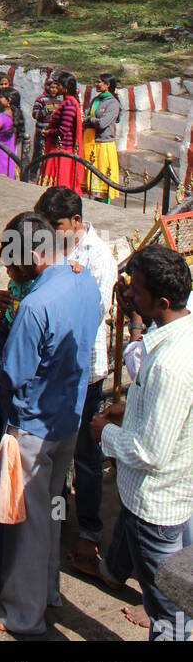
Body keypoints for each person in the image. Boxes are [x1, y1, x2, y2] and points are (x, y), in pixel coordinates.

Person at [0, 211, 101, 636]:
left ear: (34, 255)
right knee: (52, 512)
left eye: (13, 260)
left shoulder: (36, 305)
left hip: (32, 428)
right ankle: (47, 591)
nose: (10, 269)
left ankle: (23, 612)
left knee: (29, 525)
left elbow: (12, 373)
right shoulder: (83, 279)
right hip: (68, 418)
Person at [92, 245, 193, 641]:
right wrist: (129, 409)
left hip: (157, 507)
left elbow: (150, 451)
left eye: (138, 290)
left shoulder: (170, 364)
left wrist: (106, 433)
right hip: (165, 500)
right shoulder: (176, 338)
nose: (130, 295)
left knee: (168, 614)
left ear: (163, 301)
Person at [34, 186, 118, 580]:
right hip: (54, 364)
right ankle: (58, 513)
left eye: (59, 226)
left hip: (84, 368)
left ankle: (88, 531)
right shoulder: (52, 247)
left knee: (84, 453)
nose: (52, 234)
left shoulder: (98, 259)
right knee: (58, 452)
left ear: (77, 223)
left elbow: (89, 314)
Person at [83, 73, 122, 202]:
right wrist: (90, 119)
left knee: (102, 183)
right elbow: (85, 116)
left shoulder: (113, 104)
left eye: (99, 82)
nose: (96, 84)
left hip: (103, 145)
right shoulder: (96, 100)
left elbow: (102, 123)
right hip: (90, 142)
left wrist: (90, 119)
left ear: (107, 85)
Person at [43, 73, 84, 193]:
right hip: (60, 148)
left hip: (62, 150)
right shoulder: (68, 102)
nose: (57, 87)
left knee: (58, 187)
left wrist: (48, 132)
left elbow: (63, 130)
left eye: (59, 85)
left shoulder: (69, 104)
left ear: (65, 88)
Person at [31, 75, 61, 182]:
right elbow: (35, 114)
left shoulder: (60, 100)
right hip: (41, 130)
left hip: (53, 131)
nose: (54, 90)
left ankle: (46, 174)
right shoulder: (41, 99)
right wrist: (46, 111)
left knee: (50, 153)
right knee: (39, 152)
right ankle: (33, 173)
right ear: (48, 87)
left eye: (56, 88)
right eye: (52, 87)